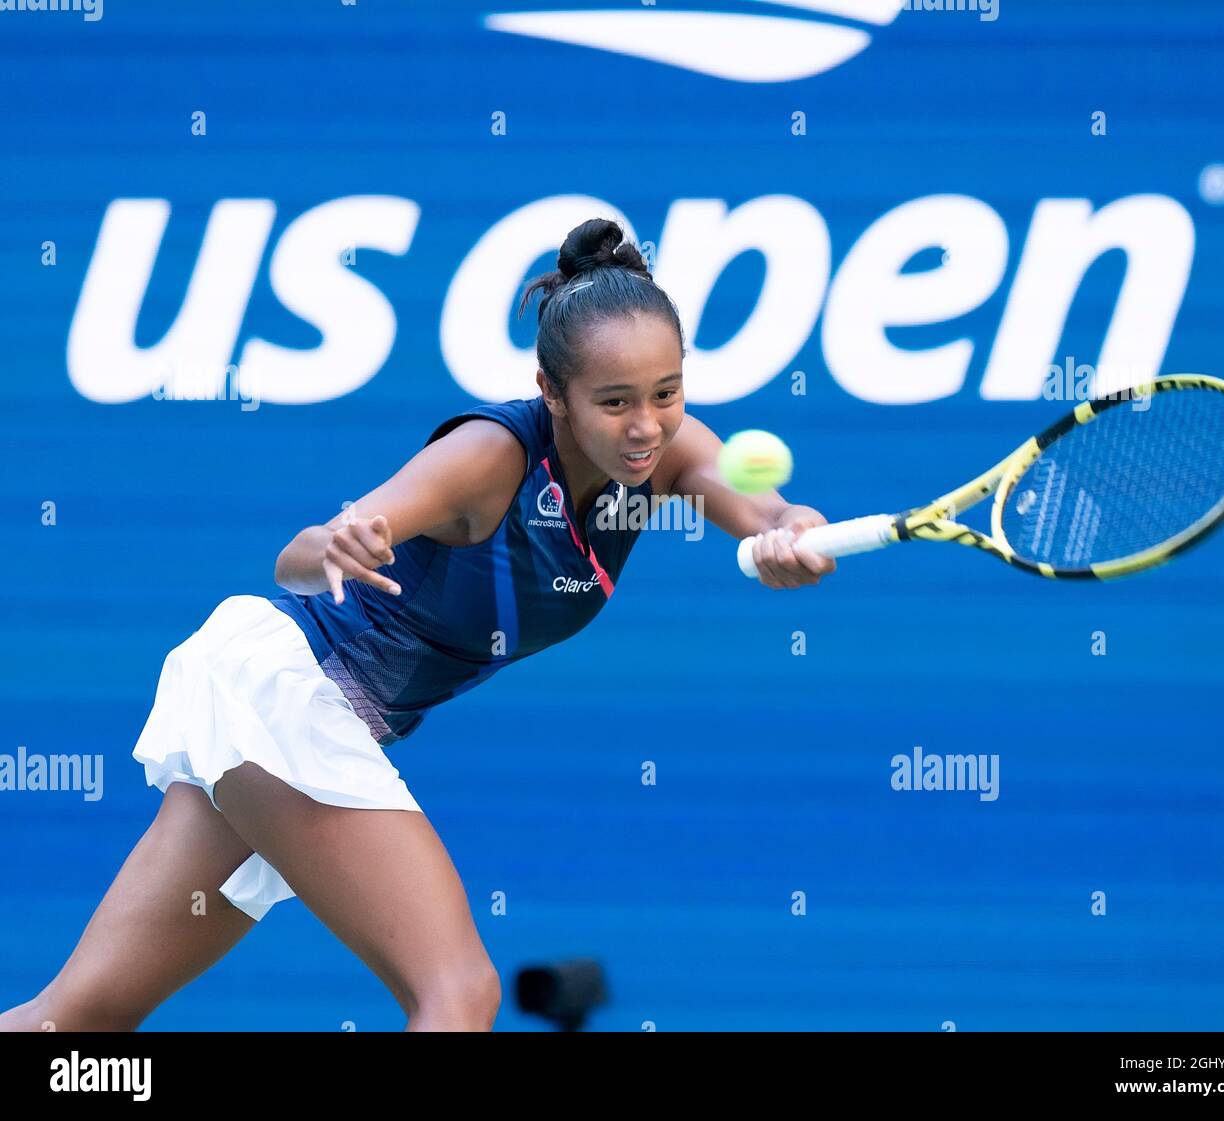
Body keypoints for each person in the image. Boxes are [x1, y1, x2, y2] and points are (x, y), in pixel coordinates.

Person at [0, 218, 837, 1033]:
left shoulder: (670, 452)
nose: (647, 424)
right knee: (459, 992)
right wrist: (337, 543)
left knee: (79, 1020)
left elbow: (763, 511)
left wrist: (789, 531)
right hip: (284, 691)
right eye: (615, 401)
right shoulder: (487, 458)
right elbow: (296, 558)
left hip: (291, 729)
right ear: (552, 391)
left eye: (667, 392)